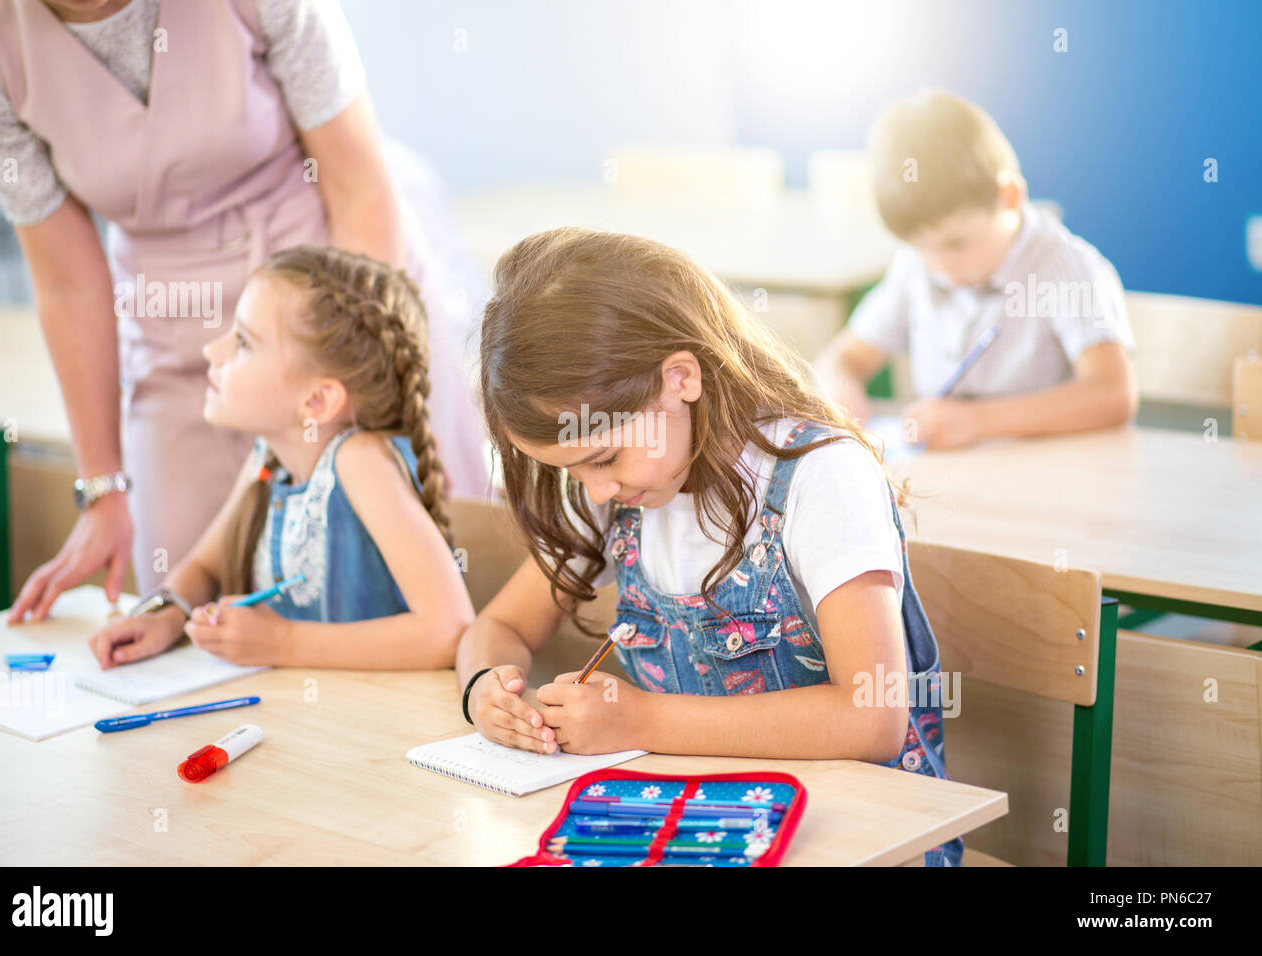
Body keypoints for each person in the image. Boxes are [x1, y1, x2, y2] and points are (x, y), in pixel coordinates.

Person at [0, 0, 489, 622]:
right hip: (171, 323)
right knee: (183, 608)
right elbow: (67, 284)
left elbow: (359, 189)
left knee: (398, 568)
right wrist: (103, 489)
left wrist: (340, 383)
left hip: (334, 302)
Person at [456, 227, 962, 866]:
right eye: (572, 471)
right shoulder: (621, 490)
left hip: (860, 842)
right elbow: (500, 626)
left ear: (680, 378)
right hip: (703, 831)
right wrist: (485, 689)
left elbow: (872, 718)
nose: (596, 489)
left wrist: (642, 721)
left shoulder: (820, 476)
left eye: (603, 458)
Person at [88, 246, 474, 669]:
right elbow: (204, 567)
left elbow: (449, 629)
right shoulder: (268, 457)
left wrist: (282, 643)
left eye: (243, 342)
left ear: (318, 400)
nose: (212, 351)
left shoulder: (361, 460)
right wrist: (167, 615)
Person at [813, 89, 1138, 449]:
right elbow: (843, 359)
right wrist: (840, 390)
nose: (940, 266)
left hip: (1053, 471)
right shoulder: (916, 266)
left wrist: (978, 421)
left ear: (1009, 197)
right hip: (951, 474)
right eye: (921, 247)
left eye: (956, 244)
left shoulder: (1063, 267)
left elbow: (1113, 395)